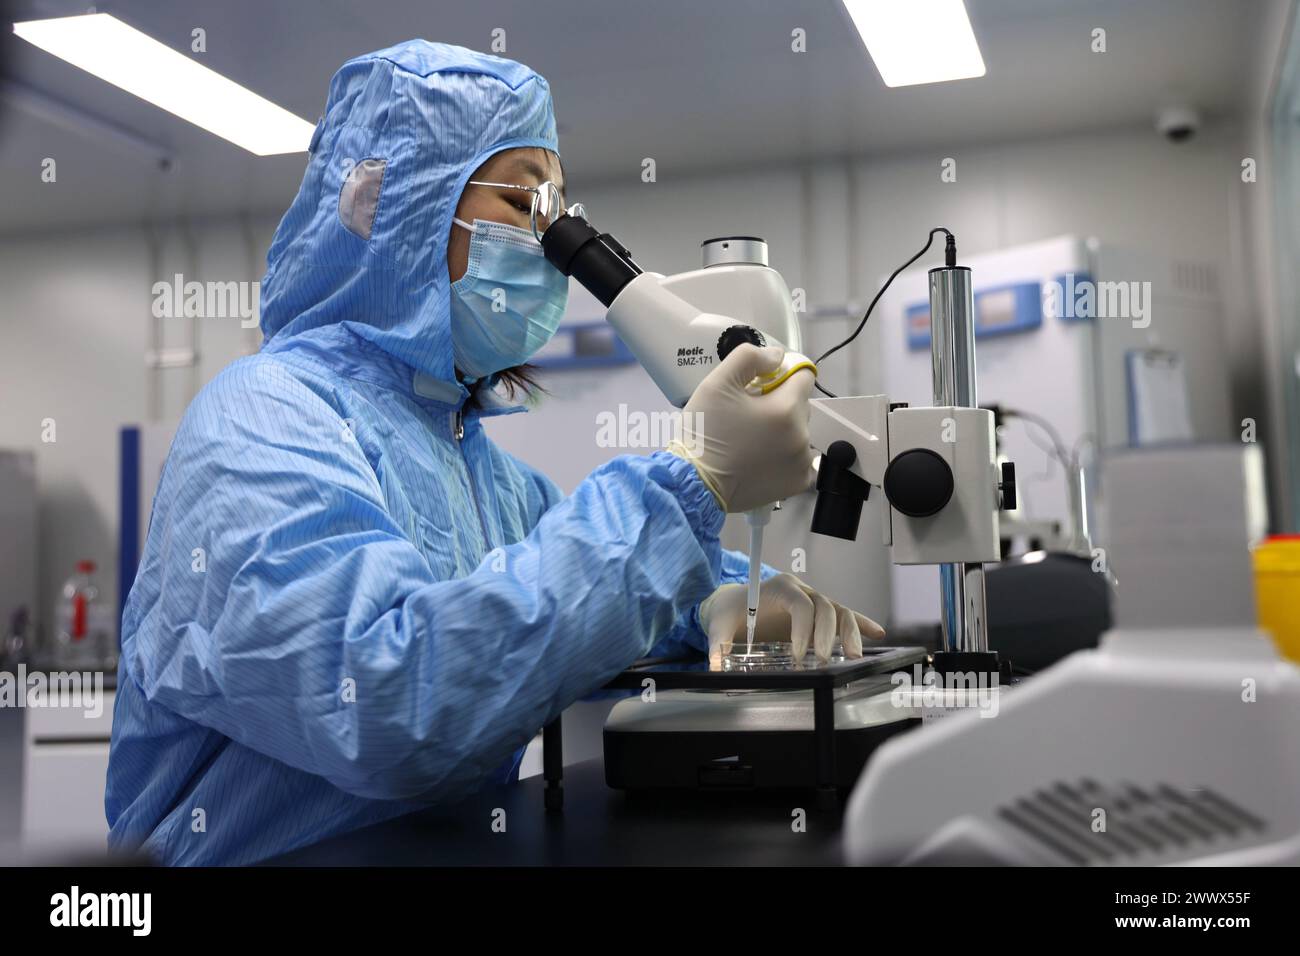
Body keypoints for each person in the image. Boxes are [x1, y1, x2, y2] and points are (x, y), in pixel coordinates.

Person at [105, 40, 882, 866]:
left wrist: (718, 598)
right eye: (524, 201)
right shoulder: (261, 416)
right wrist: (690, 484)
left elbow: (555, 597)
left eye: (559, 207)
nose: (553, 238)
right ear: (391, 205)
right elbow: (387, 705)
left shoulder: (485, 473)